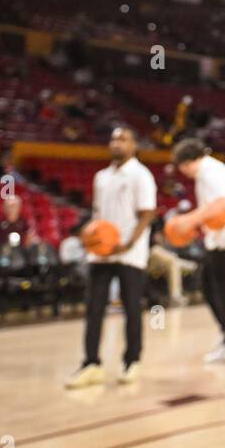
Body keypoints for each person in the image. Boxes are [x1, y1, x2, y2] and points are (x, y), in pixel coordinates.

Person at [65, 126, 156, 388]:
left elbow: (147, 214)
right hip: (101, 253)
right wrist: (91, 237)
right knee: (94, 309)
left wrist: (127, 244)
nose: (117, 143)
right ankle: (91, 363)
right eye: (114, 139)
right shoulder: (101, 177)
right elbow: (97, 213)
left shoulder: (141, 175)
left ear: (134, 145)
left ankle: (132, 361)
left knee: (131, 309)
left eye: (123, 139)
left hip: (129, 253)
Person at [169, 137, 225, 360]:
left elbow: (219, 205)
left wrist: (188, 220)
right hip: (217, 236)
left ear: (189, 161)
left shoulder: (210, 171)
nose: (183, 172)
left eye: (182, 167)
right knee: (208, 286)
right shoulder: (206, 171)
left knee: (221, 289)